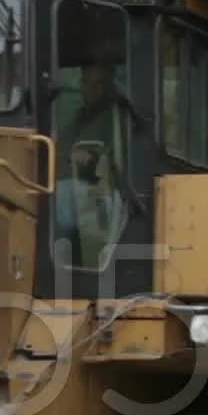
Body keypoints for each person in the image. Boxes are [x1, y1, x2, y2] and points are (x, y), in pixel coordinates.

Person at [52, 60, 127, 269]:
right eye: (88, 83)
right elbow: (60, 149)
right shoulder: (79, 118)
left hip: (101, 192)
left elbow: (116, 157)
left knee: (58, 202)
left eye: (100, 84)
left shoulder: (116, 118)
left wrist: (91, 157)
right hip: (73, 184)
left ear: (110, 86)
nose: (94, 90)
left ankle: (61, 263)